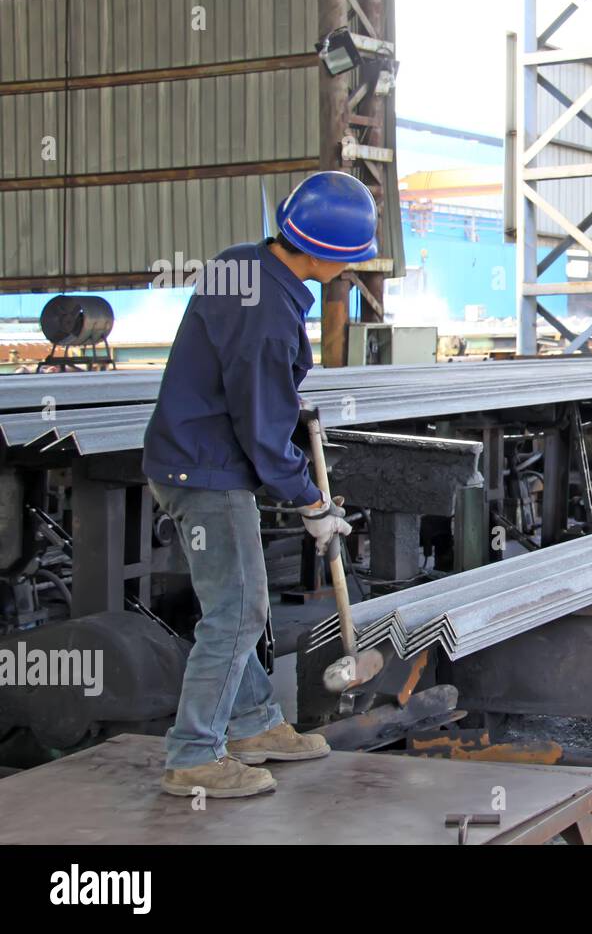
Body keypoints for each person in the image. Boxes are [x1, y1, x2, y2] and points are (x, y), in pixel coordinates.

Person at [142, 171, 378, 799]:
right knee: (239, 611)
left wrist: (280, 397)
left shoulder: (241, 264)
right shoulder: (270, 313)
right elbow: (262, 424)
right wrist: (311, 503)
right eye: (350, 261)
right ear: (325, 252)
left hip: (194, 453)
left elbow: (248, 385)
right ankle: (194, 755)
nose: (350, 271)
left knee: (238, 604)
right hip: (206, 470)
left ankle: (252, 724)